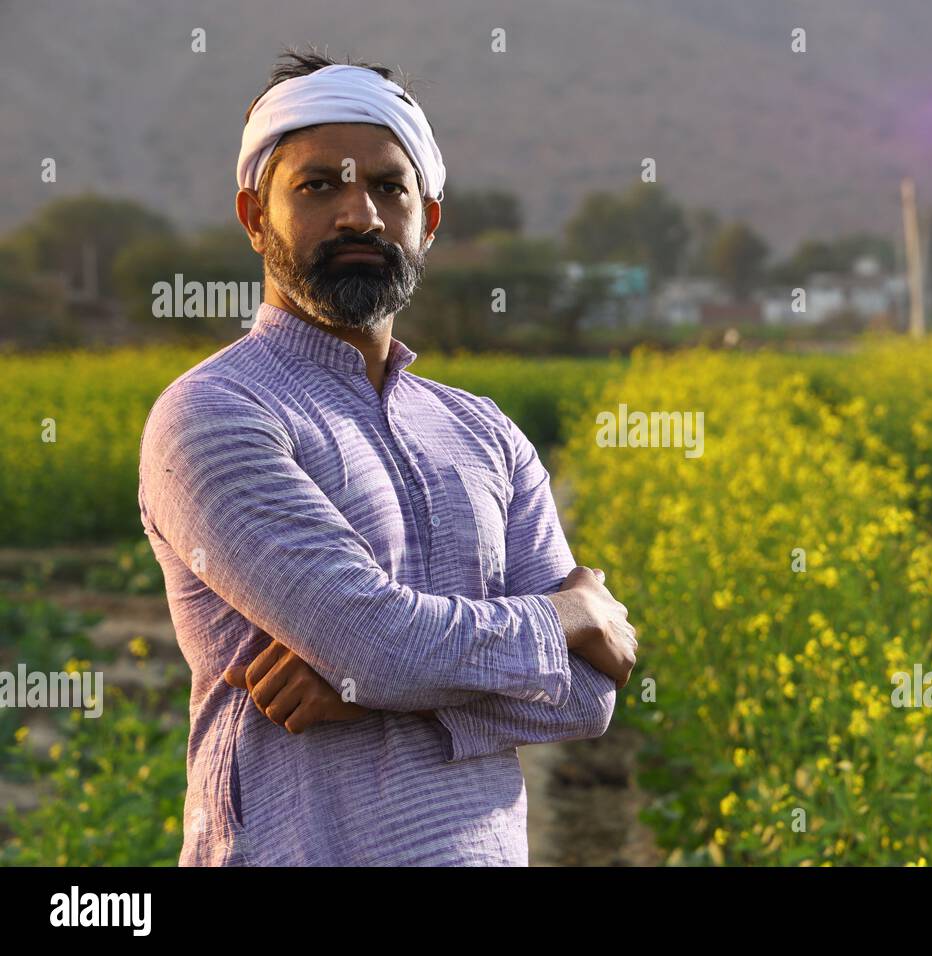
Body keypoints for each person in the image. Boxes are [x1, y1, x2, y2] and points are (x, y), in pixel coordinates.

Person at [137, 48, 637, 866]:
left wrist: (370, 698)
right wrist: (567, 615)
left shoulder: (485, 433)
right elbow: (380, 642)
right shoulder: (215, 414)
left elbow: (587, 698)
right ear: (253, 217)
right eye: (318, 185)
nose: (359, 215)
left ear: (427, 221)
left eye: (388, 186)